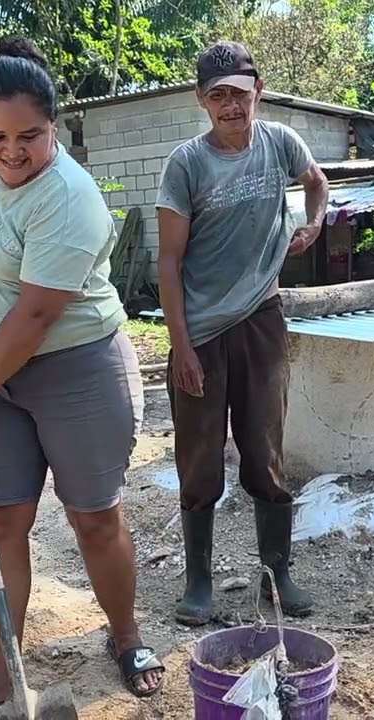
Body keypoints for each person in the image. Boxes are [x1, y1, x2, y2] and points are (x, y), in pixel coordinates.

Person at [0, 36, 164, 716]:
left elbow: (38, 312)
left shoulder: (71, 198)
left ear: (55, 128)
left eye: (30, 137)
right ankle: (2, 677)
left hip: (77, 367)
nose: (11, 152)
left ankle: (126, 635)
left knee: (94, 519)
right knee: (2, 521)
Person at [154, 40, 330, 627]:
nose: (232, 105)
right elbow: (169, 264)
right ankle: (199, 580)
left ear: (258, 89)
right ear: (202, 101)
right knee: (199, 459)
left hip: (261, 320)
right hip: (200, 331)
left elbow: (317, 181)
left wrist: (312, 223)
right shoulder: (187, 165)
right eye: (219, 95)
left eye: (240, 91)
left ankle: (276, 572)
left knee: (266, 450)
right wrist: (180, 346)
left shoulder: (281, 143)